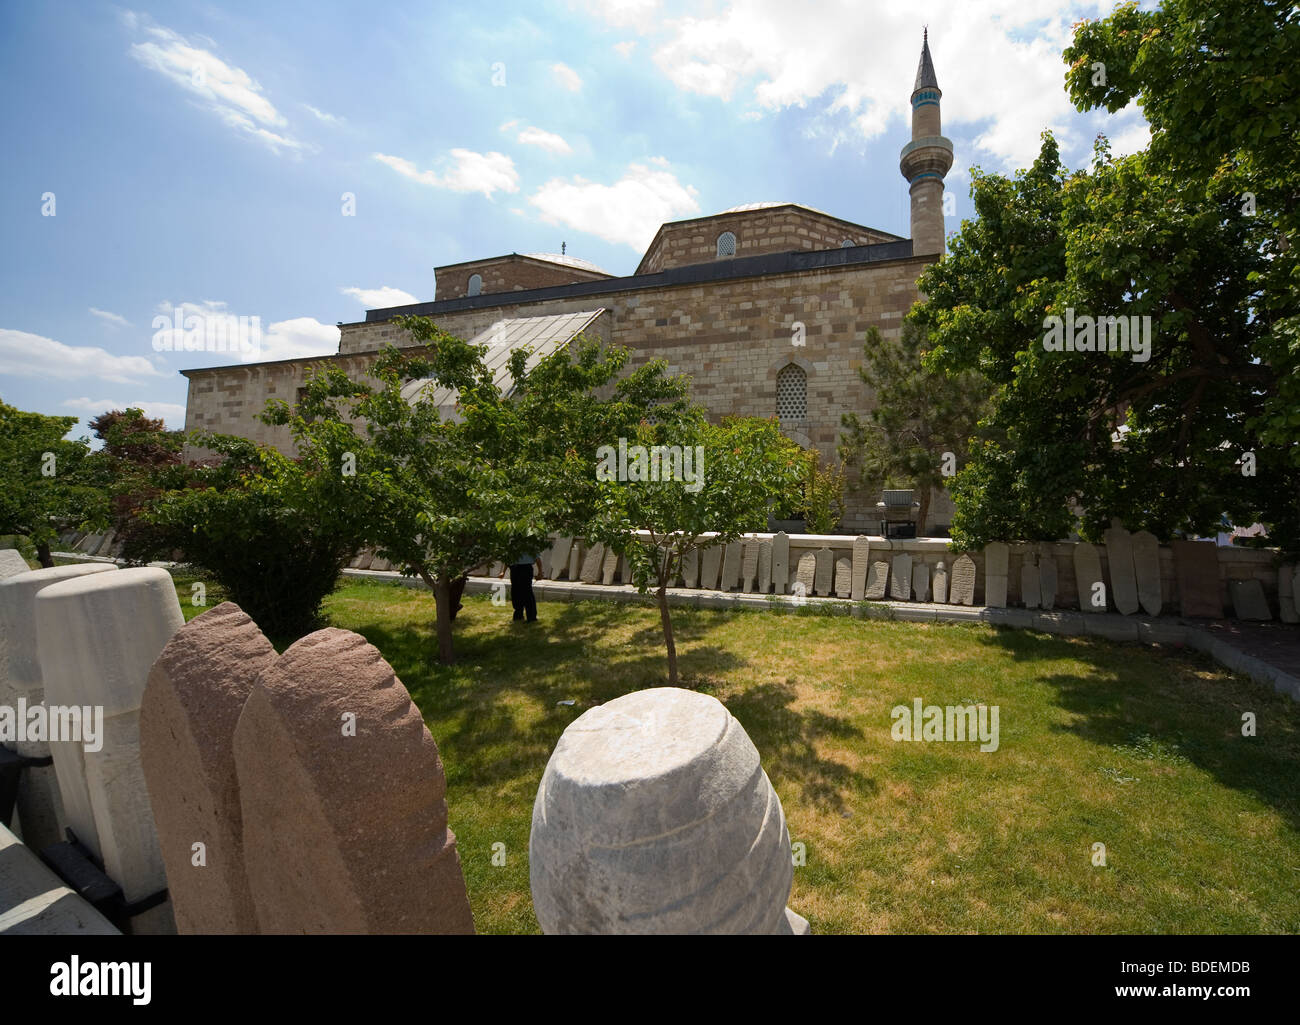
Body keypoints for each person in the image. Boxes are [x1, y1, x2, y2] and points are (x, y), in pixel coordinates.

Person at [501, 552, 542, 622]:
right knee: (515, 592)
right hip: (514, 569)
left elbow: (537, 559)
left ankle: (531, 617)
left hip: (526, 568)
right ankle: (518, 615)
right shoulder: (512, 543)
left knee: (527, 593)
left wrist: (540, 572)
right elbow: (508, 559)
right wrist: (503, 572)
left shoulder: (529, 544)